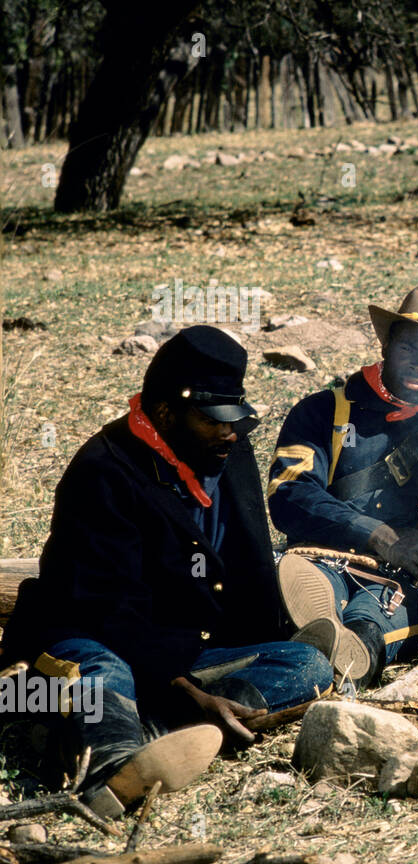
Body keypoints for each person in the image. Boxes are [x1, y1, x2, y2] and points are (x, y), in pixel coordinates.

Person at [3, 326, 334, 818]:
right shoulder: (104, 470)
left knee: (306, 664)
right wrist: (185, 690)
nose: (229, 432)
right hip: (84, 637)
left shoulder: (228, 451)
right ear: (163, 413)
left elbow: (248, 566)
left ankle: (153, 734)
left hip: (181, 650)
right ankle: (110, 766)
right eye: (213, 420)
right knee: (103, 673)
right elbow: (106, 611)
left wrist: (257, 648)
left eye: (235, 420)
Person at [267, 283, 418, 687]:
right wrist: (379, 534)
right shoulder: (321, 410)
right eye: (409, 349)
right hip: (325, 559)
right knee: (312, 584)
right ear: (386, 346)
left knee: (377, 614)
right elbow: (289, 496)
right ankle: (326, 639)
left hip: (413, 581)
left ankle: (348, 653)